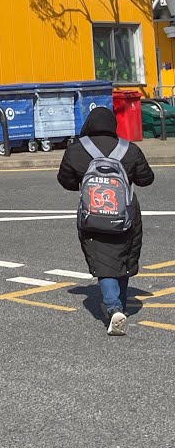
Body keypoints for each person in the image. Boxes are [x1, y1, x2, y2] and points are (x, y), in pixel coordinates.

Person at [57, 107, 155, 336]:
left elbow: (65, 180)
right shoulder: (129, 149)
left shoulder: (76, 150)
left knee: (102, 259)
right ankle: (118, 303)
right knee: (122, 256)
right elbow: (146, 179)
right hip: (125, 214)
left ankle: (113, 308)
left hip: (92, 214)